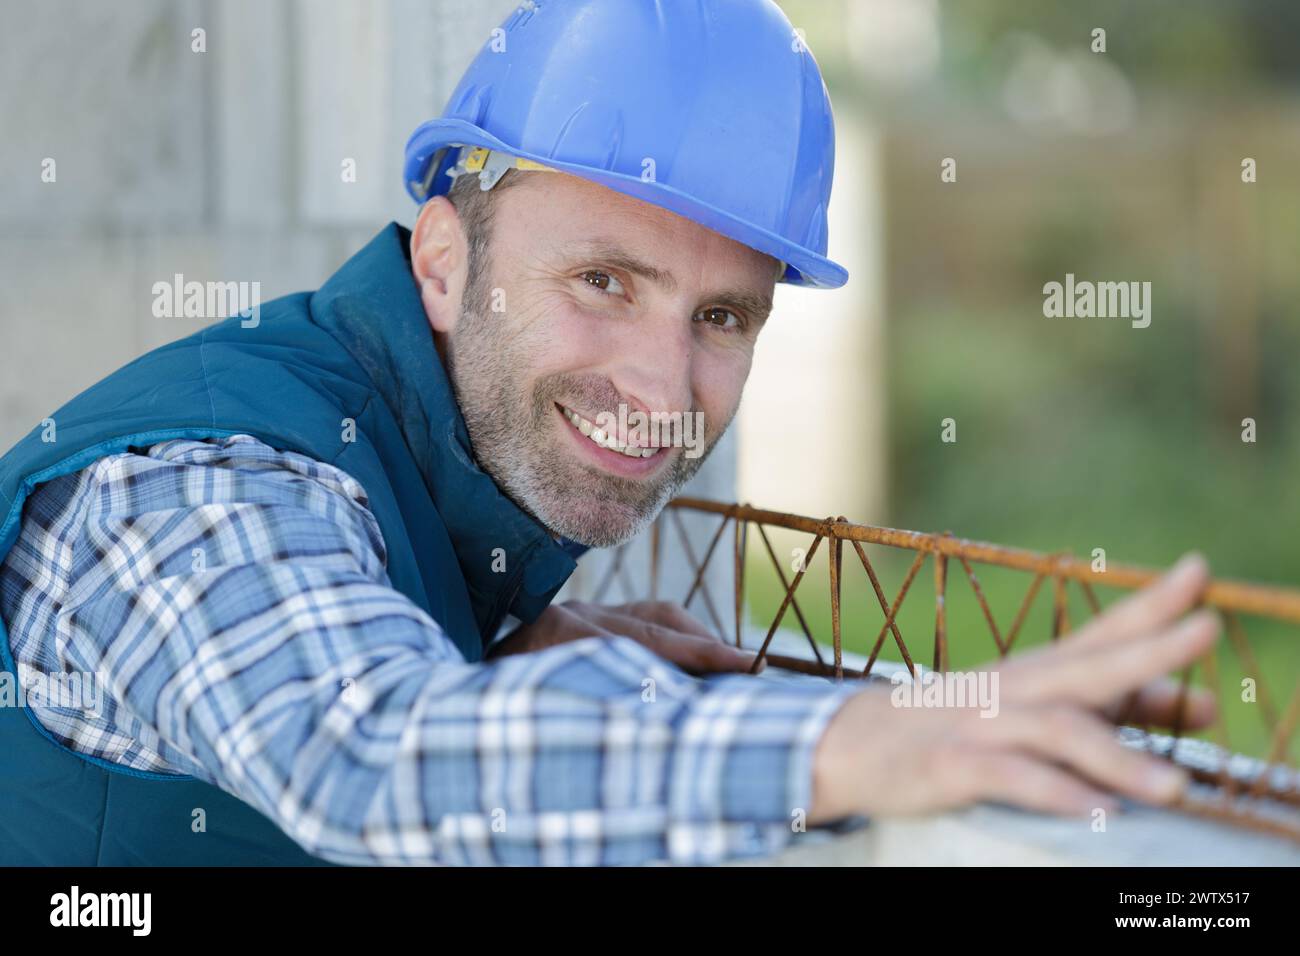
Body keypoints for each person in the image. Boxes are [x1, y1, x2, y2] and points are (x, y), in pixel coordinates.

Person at [0, 0, 1217, 866]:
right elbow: (367, 754)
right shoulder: (198, 490)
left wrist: (477, 648)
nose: (664, 383)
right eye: (603, 280)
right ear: (441, 261)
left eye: (722, 316)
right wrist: (849, 744)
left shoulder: (431, 502)